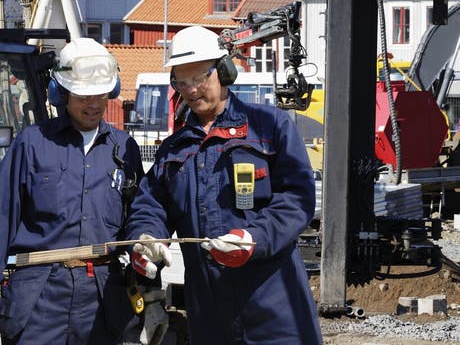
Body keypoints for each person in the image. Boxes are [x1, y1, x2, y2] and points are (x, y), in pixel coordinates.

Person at [126, 25, 323, 345]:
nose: (191, 90)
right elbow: (151, 204)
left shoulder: (271, 128)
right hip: (211, 318)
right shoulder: (174, 150)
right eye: (181, 81)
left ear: (224, 71)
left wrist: (254, 238)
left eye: (200, 77)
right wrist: (146, 237)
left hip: (276, 313)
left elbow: (297, 199)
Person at [0, 37, 145, 345]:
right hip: (39, 296)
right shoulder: (32, 143)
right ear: (61, 93)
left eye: (100, 94)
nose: (93, 104)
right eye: (83, 95)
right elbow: (2, 216)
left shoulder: (125, 148)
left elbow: (139, 217)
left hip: (104, 298)